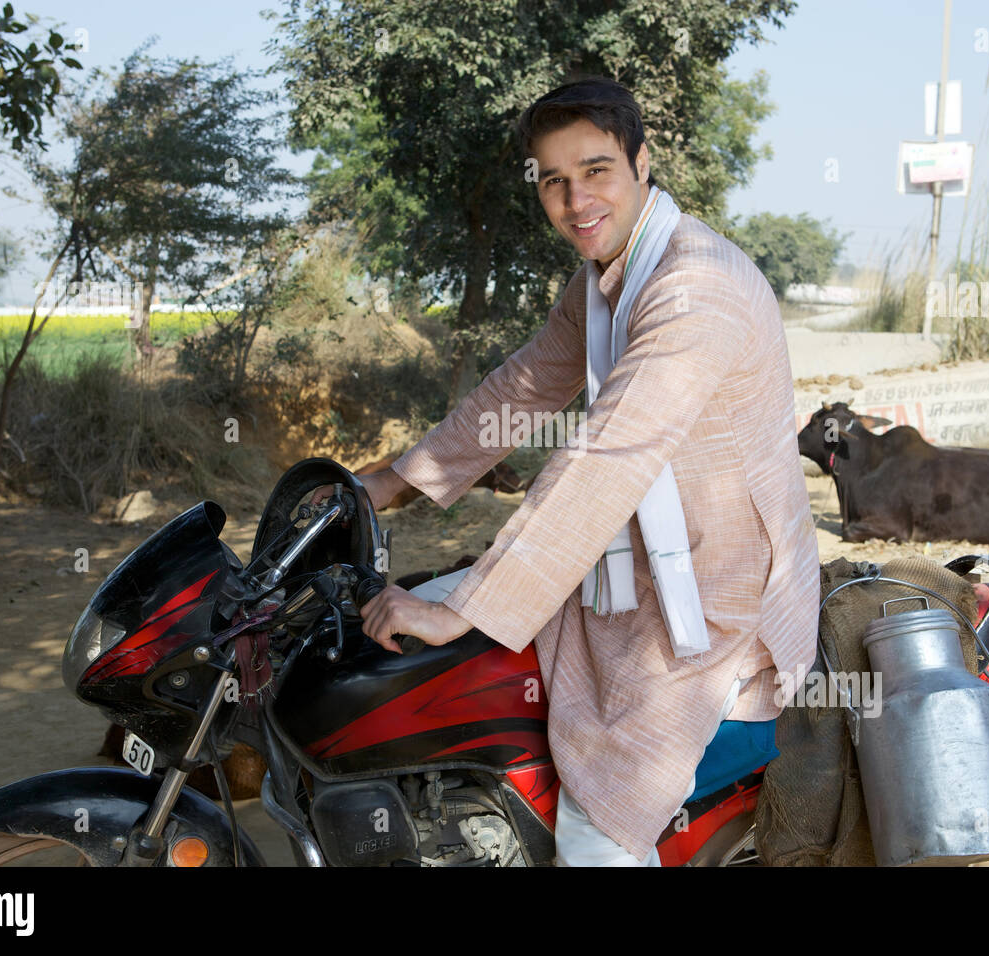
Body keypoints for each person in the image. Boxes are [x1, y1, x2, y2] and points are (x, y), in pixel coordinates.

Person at [320, 77, 820, 866]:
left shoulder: (695, 291)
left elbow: (607, 456)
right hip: (633, 577)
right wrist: (383, 485)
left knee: (597, 832)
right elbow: (524, 388)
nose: (574, 198)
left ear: (642, 163)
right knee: (408, 616)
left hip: (717, 615)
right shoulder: (607, 279)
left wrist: (470, 609)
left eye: (595, 170)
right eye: (553, 179)